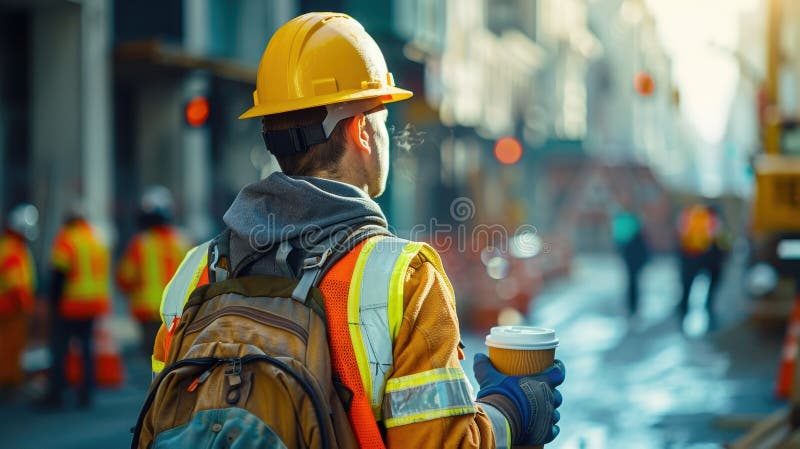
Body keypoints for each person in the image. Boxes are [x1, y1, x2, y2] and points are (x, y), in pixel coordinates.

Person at [150, 12, 564, 449]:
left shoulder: (195, 273)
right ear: (361, 129)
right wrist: (510, 410)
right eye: (381, 116)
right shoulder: (405, 279)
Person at [41, 203, 111, 408]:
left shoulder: (66, 239)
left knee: (60, 349)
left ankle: (56, 394)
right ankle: (86, 393)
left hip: (70, 305)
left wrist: (52, 303)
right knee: (86, 350)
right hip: (92, 305)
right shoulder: (95, 240)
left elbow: (58, 275)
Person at [116, 186, 188, 354]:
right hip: (178, 312)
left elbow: (125, 278)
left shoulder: (141, 243)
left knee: (152, 358)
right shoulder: (182, 241)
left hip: (148, 312)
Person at [0, 204, 38, 397]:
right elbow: (16, 284)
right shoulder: (12, 249)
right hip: (10, 308)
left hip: (9, 307)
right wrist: (26, 306)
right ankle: (8, 385)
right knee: (10, 348)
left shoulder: (9, 246)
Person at [676, 203, 726, 329]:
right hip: (709, 256)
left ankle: (683, 314)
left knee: (687, 287)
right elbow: (720, 237)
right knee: (711, 288)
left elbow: (680, 234)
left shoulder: (689, 214)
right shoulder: (714, 216)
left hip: (690, 255)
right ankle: (709, 313)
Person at [611, 200, 649, 316]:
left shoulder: (621, 219)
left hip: (628, 253)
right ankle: (633, 306)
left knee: (632, 280)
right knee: (634, 280)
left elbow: (618, 237)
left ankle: (632, 306)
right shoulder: (633, 219)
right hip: (634, 253)